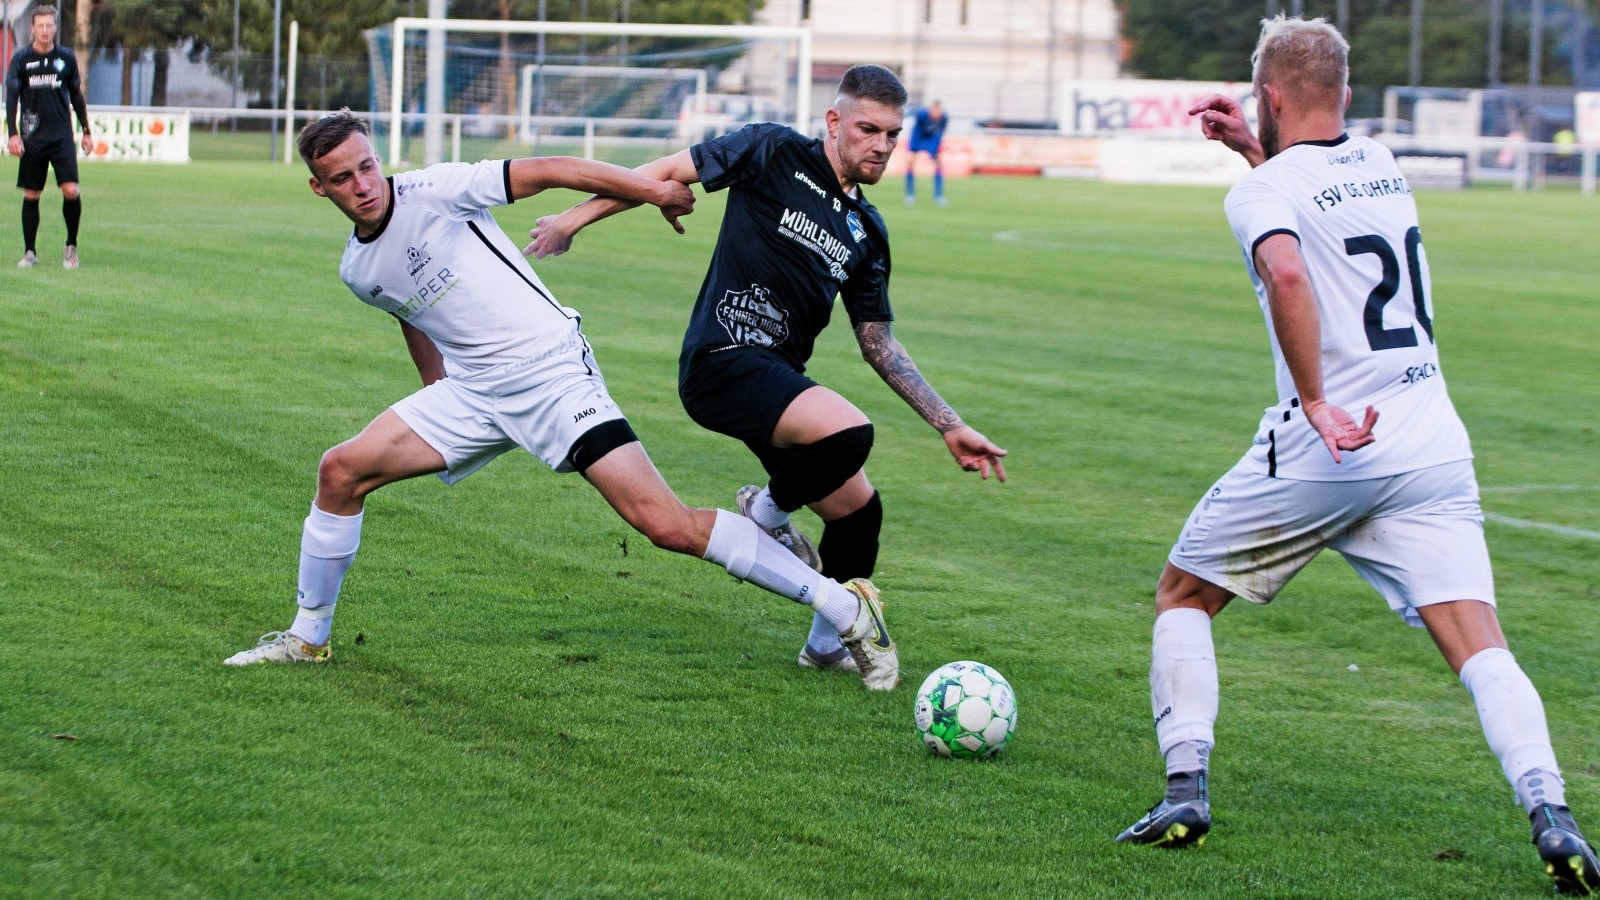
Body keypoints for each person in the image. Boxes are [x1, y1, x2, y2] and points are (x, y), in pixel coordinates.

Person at [1116, 16, 1600, 896]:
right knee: (1478, 641)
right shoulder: (1382, 164)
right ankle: (1552, 811)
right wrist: (1253, 154)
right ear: (1345, 92)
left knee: (1183, 593)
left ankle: (1184, 790)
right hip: (1429, 441)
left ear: (1266, 96)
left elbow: (1291, 271)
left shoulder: (1260, 196)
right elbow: (1315, 194)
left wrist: (1315, 402)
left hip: (1332, 443)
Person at [222, 110, 899, 693]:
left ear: (378, 158)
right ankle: (307, 639)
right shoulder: (356, 268)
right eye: (342, 179)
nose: (362, 186)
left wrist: (648, 188)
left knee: (662, 523)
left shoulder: (438, 189)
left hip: (550, 372)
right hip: (475, 391)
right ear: (320, 187)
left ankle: (842, 608)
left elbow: (547, 168)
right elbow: (409, 307)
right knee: (340, 471)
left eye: (366, 167)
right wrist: (435, 391)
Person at [525, 65, 1006, 675]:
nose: (881, 145)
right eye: (868, 129)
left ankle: (826, 648)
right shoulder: (772, 150)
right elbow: (667, 171)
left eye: (891, 133)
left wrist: (948, 423)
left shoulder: (868, 232)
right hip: (721, 361)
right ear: (834, 123)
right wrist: (573, 218)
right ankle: (766, 515)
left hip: (775, 382)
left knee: (860, 513)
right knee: (851, 432)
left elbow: (877, 341)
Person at [4, 4, 92, 269]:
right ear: (32, 28)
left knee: (70, 189)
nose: (45, 30)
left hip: (61, 136)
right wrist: (13, 134)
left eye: (49, 25)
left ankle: (71, 246)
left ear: (55, 27)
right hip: (32, 137)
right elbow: (11, 98)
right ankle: (30, 252)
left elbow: (76, 96)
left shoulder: (65, 58)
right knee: (32, 193)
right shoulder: (21, 59)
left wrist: (86, 129)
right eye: (40, 25)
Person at [904, 100, 947, 205]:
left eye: (938, 110)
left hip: (931, 140)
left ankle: (939, 196)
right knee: (910, 163)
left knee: (939, 164)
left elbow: (940, 133)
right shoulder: (921, 114)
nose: (936, 113)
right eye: (934, 110)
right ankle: (910, 195)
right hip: (917, 139)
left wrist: (936, 148)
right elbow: (915, 124)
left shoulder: (944, 118)